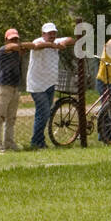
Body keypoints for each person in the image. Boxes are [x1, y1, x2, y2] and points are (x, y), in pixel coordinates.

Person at [25, 21, 78, 149]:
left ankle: (39, 141)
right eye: (49, 33)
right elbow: (37, 46)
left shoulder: (57, 41)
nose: (52, 35)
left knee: (44, 113)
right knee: (43, 113)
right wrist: (52, 46)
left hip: (50, 83)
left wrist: (63, 43)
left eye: (54, 33)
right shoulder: (39, 41)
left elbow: (72, 39)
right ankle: (36, 142)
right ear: (43, 34)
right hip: (37, 85)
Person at [0, 28, 36, 153]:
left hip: (15, 88)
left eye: (16, 39)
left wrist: (20, 46)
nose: (14, 41)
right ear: (6, 40)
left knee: (11, 119)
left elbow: (33, 45)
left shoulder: (18, 51)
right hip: (2, 87)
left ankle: (9, 143)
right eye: (12, 39)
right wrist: (19, 46)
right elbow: (12, 47)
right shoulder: (3, 49)